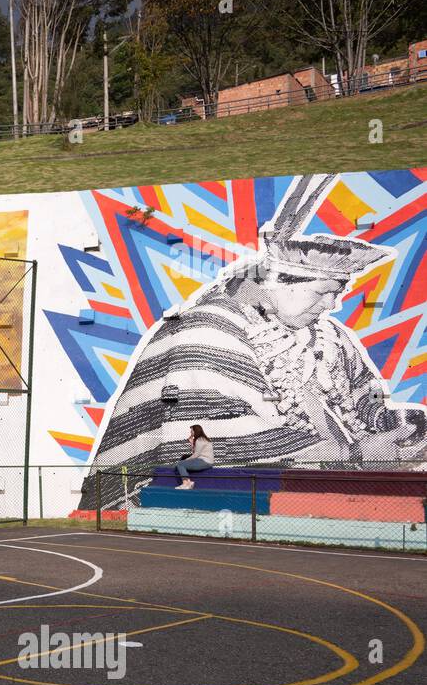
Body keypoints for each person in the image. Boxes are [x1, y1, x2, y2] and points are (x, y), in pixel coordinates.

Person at [82, 174, 427, 511]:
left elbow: (368, 412)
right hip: (185, 502)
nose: (331, 305)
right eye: (323, 292)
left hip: (316, 496)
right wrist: (358, 454)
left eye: (338, 294)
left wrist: (407, 428)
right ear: (278, 282)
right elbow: (230, 446)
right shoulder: (205, 330)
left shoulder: (330, 337)